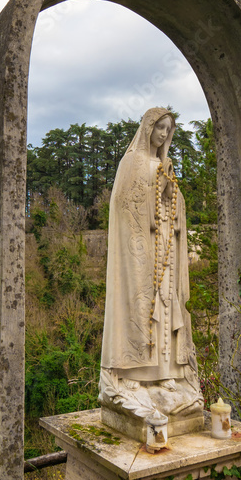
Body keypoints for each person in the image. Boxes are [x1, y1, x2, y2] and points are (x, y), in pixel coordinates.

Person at [99, 107, 203, 432]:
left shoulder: (166, 165)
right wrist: (153, 194)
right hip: (140, 255)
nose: (163, 134)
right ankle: (133, 377)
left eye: (168, 129)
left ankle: (167, 374)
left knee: (168, 312)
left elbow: (176, 209)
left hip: (165, 253)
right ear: (148, 129)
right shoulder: (132, 162)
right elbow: (122, 205)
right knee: (141, 310)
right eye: (159, 128)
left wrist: (172, 197)